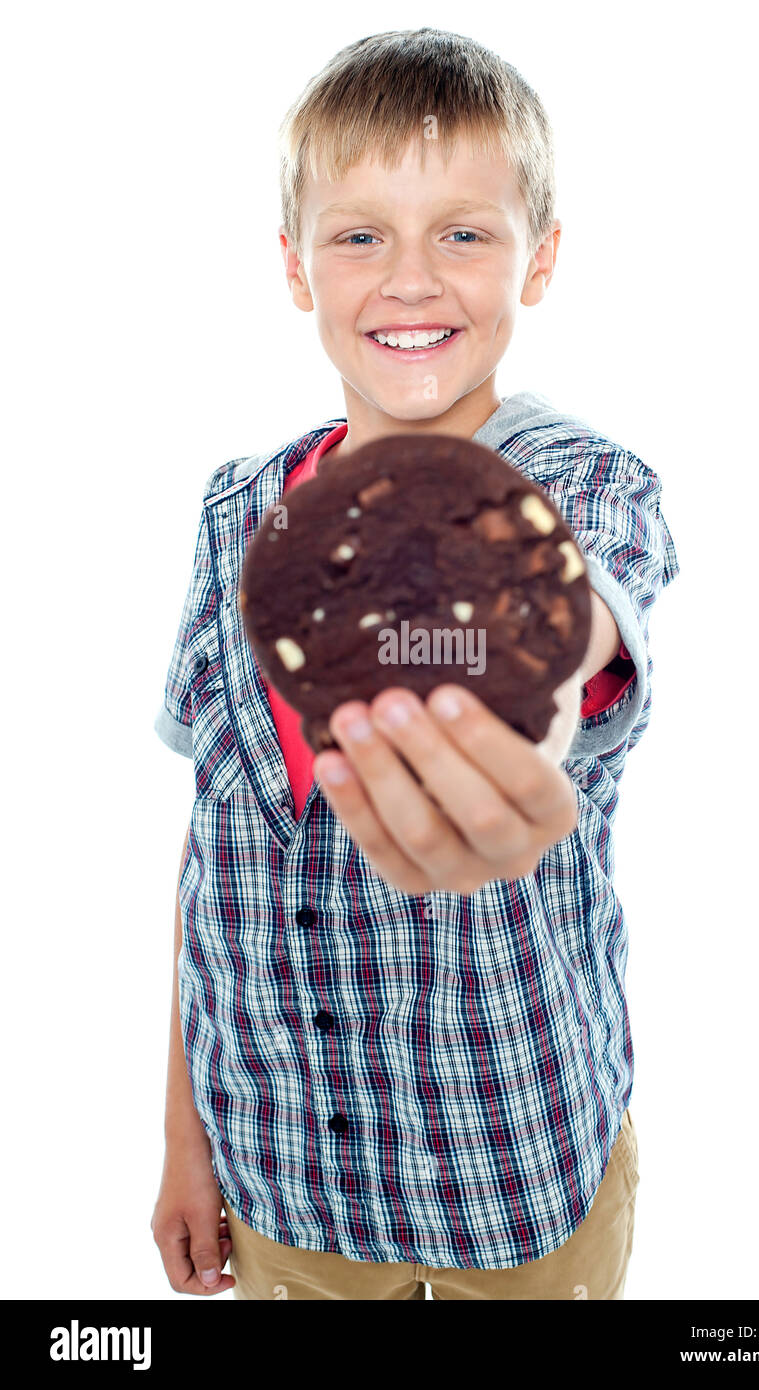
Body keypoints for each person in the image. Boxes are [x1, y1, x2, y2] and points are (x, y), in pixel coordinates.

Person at [150, 26, 680, 1301]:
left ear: (536, 258)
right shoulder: (236, 509)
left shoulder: (582, 484)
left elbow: (578, 623)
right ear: (295, 268)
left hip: (510, 1169)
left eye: (463, 233)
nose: (409, 280)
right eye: (359, 235)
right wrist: (185, 1135)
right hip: (284, 1170)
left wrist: (523, 685)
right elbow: (214, 840)